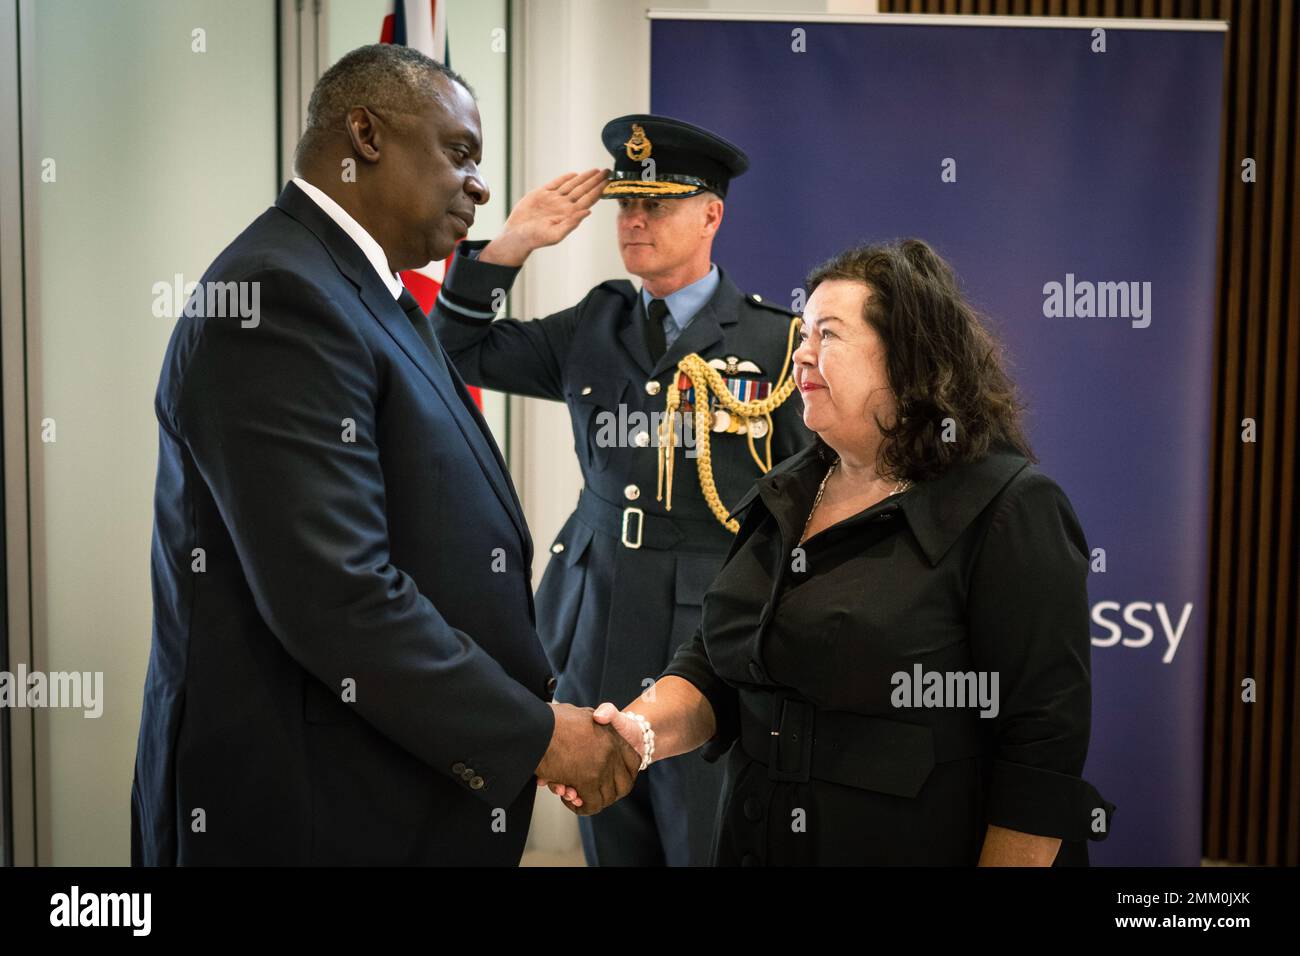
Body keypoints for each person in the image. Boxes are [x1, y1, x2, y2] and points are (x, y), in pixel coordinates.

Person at [131, 43, 638, 866]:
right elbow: (338, 595)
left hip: (390, 784)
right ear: (364, 134)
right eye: (460, 153)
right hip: (316, 805)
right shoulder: (278, 296)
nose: (478, 183)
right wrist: (537, 735)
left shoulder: (366, 291)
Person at [546, 239, 1117, 866]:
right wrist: (640, 733)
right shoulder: (790, 485)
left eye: (829, 334)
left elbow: (1041, 751)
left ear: (908, 358)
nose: (801, 353)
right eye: (803, 332)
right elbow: (716, 662)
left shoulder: (1008, 506)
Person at [431, 114, 814, 866]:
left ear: (711, 215)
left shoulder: (778, 343)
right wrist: (512, 245)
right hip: (595, 616)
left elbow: (813, 496)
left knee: (701, 839)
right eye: (625, 206)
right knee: (608, 832)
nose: (634, 222)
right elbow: (452, 350)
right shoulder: (595, 322)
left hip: (704, 638)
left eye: (658, 205)